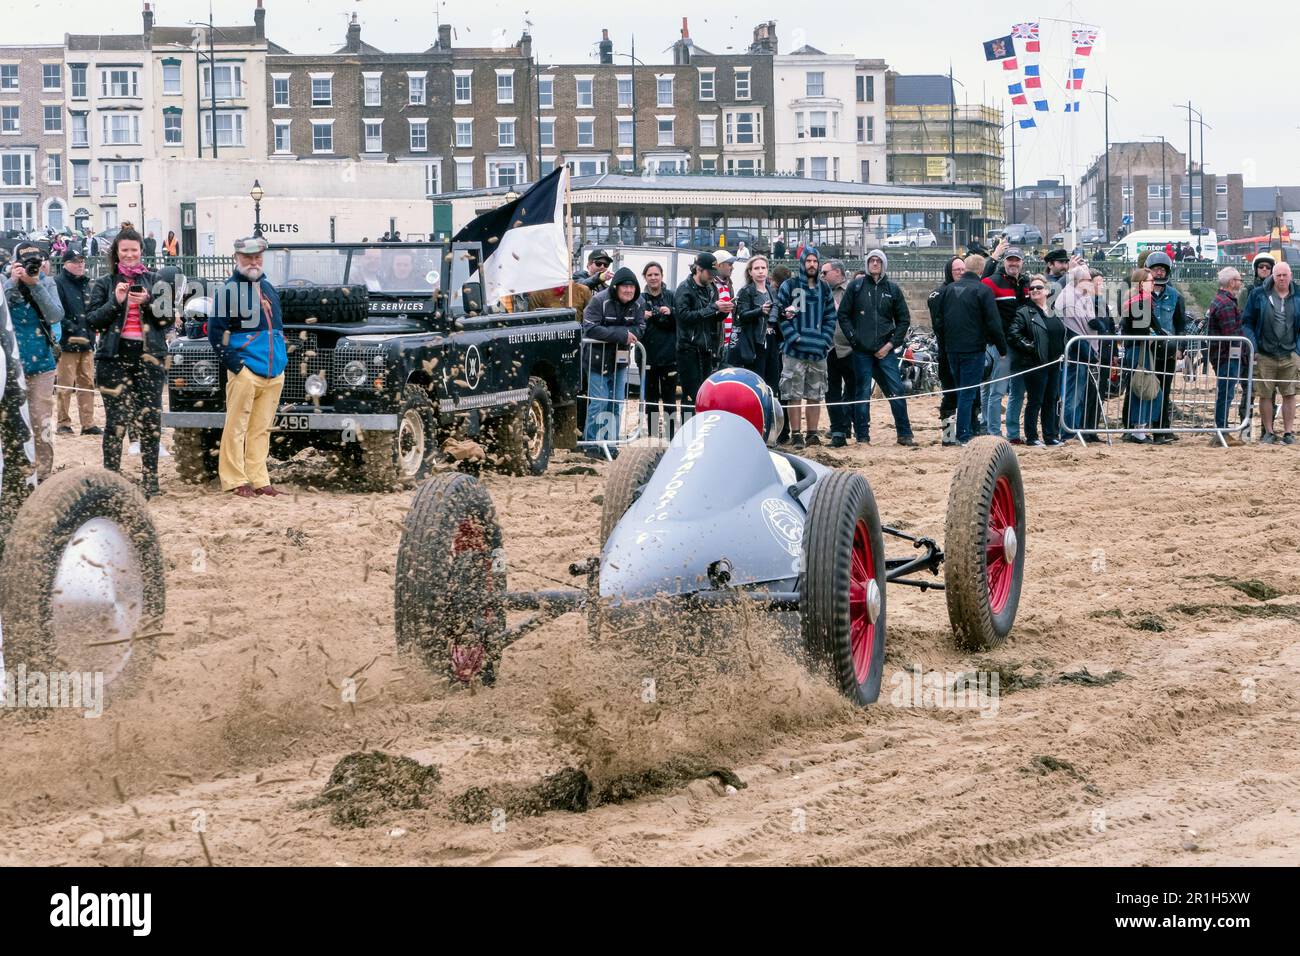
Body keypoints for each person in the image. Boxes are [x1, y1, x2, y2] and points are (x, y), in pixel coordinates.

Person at [84, 228, 169, 496]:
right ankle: (111, 479)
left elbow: (166, 321)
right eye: (125, 250)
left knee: (150, 421)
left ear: (141, 251)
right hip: (113, 358)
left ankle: (150, 480)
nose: (130, 255)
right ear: (117, 253)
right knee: (115, 422)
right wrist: (116, 301)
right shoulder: (105, 283)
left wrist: (147, 302)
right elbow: (94, 320)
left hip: (149, 357)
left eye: (134, 250)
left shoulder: (156, 280)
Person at [208, 236, 287, 497]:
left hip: (273, 371)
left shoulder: (269, 288)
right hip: (246, 370)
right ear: (236, 258)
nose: (253, 262)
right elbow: (216, 335)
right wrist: (238, 366)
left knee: (261, 428)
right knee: (236, 426)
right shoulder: (227, 291)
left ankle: (259, 477)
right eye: (248, 257)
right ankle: (234, 479)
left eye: (257, 257)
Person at [838, 249, 915, 447]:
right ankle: (862, 436)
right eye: (871, 260)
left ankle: (904, 433)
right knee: (862, 393)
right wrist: (854, 339)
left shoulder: (893, 289)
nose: (874, 264)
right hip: (861, 351)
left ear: (883, 264)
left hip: (885, 351)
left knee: (896, 391)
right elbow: (844, 315)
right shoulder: (856, 287)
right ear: (867, 263)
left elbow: (904, 320)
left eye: (878, 261)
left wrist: (890, 344)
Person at [4, 241, 64, 480]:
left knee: (41, 421)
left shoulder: (48, 282)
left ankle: (44, 473)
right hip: (10, 366)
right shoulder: (4, 283)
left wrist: (36, 285)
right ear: (15, 264)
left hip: (42, 365)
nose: (31, 267)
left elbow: (55, 314)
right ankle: (16, 471)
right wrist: (12, 282)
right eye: (25, 263)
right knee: (12, 421)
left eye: (35, 263)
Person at [938, 254, 1006, 445]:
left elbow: (940, 321)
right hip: (973, 349)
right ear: (981, 270)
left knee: (960, 392)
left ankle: (956, 434)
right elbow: (993, 322)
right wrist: (1001, 348)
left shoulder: (947, 290)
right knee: (967, 393)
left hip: (951, 349)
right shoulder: (983, 290)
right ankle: (963, 435)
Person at [775, 248, 836, 448]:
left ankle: (812, 433)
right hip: (794, 351)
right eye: (808, 261)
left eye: (814, 261)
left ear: (818, 264)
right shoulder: (789, 286)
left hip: (818, 350)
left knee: (815, 394)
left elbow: (830, 317)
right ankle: (796, 434)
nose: (811, 264)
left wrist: (825, 340)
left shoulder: (825, 288)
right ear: (802, 263)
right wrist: (794, 338)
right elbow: (781, 314)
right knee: (793, 394)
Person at [581, 267, 645, 450]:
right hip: (596, 361)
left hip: (620, 362)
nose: (628, 291)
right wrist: (622, 335)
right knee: (598, 404)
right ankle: (591, 444)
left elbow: (641, 327)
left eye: (632, 287)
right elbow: (590, 328)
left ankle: (611, 444)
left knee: (616, 404)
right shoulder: (599, 300)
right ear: (616, 287)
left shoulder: (639, 303)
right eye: (625, 287)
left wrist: (627, 334)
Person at [1242, 261, 1300, 444]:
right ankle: (1268, 431)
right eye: (1278, 275)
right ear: (1272, 277)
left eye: (1285, 275)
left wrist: (1298, 350)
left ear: (1290, 275)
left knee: (1289, 394)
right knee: (1265, 394)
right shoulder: (1257, 294)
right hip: (1264, 353)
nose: (1282, 278)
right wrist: (1254, 347)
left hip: (1290, 353)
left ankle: (1289, 433)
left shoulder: (1298, 295)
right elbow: (1247, 322)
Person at [981, 241, 1029, 441]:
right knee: (997, 390)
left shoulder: (1026, 283)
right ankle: (993, 432)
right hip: (1001, 345)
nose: (1013, 264)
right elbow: (979, 287)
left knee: (1018, 391)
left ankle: (1013, 433)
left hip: (1021, 344)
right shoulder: (992, 282)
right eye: (1010, 260)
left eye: (1016, 260)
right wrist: (993, 257)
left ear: (1022, 263)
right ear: (1004, 261)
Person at [930, 256, 979, 445]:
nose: (960, 272)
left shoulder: (970, 291)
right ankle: (949, 436)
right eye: (956, 269)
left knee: (972, 395)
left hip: (968, 351)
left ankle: (972, 431)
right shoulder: (939, 293)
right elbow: (939, 325)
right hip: (947, 353)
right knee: (950, 396)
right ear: (949, 272)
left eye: (963, 269)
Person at [819, 259, 867, 447]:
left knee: (855, 390)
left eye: (825, 272)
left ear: (838, 272)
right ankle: (838, 431)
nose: (822, 276)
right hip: (828, 348)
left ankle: (858, 429)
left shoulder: (852, 291)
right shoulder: (821, 292)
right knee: (831, 392)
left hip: (850, 349)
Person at [53, 249, 100, 437]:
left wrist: (90, 330)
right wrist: (72, 328)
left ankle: (88, 423)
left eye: (81, 261)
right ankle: (63, 423)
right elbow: (57, 313)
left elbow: (90, 310)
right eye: (75, 261)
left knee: (87, 383)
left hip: (86, 341)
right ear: (65, 264)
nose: (80, 264)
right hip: (68, 342)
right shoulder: (58, 283)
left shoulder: (86, 284)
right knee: (65, 384)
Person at [1142, 251, 1188, 443]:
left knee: (1164, 390)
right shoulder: (1140, 294)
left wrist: (1180, 347)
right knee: (1142, 389)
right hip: (1146, 350)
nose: (1159, 273)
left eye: (1162, 269)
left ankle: (1161, 428)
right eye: (1156, 269)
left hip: (1168, 351)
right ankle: (1135, 427)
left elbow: (1181, 325)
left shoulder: (1175, 296)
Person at [673, 252, 724, 405]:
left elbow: (711, 318)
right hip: (688, 349)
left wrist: (723, 311)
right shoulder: (684, 288)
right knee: (690, 395)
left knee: (705, 395)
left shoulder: (711, 289)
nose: (712, 277)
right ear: (698, 269)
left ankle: (702, 426)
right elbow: (683, 317)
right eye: (709, 273)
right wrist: (713, 308)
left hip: (706, 348)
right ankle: (688, 427)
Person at [1205, 267, 1247, 445]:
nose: (1240, 283)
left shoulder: (1220, 300)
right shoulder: (1227, 304)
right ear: (1231, 282)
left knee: (1225, 394)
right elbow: (1232, 336)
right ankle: (1221, 432)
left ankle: (1221, 431)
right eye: (1238, 280)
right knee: (1226, 394)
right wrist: (1245, 352)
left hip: (1221, 356)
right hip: (1228, 357)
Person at [1056, 266, 1097, 439]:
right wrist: (1086, 349)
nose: (1091, 282)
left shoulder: (1084, 297)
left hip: (1084, 351)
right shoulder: (1068, 298)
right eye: (1087, 279)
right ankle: (1068, 431)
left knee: (1079, 395)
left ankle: (1076, 428)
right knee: (1073, 395)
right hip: (1075, 354)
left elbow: (1088, 321)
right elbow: (1071, 327)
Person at [1119, 268, 1159, 443]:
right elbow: (1142, 329)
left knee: (1142, 388)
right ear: (1142, 283)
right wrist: (1155, 334)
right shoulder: (1139, 302)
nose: (1154, 284)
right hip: (1138, 351)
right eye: (1151, 281)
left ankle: (1139, 428)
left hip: (1138, 349)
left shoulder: (1139, 301)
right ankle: (1138, 430)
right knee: (1141, 388)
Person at [639, 262, 678, 428]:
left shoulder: (671, 296)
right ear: (645, 277)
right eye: (650, 275)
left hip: (669, 356)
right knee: (651, 399)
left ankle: (671, 436)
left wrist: (671, 313)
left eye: (656, 274)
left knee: (670, 398)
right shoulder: (639, 299)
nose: (653, 278)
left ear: (662, 276)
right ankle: (653, 435)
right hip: (648, 356)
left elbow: (682, 320)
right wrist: (642, 317)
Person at [732, 255, 773, 375]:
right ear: (750, 272)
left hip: (771, 341)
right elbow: (742, 316)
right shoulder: (746, 291)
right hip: (753, 342)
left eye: (763, 268)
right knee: (756, 377)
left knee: (772, 379)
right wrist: (760, 311)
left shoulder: (771, 290)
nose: (760, 271)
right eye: (756, 268)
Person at [711, 249, 737, 359]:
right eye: (730, 264)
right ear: (720, 265)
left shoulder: (729, 285)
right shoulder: (710, 286)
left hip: (727, 343)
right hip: (714, 345)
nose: (732, 267)